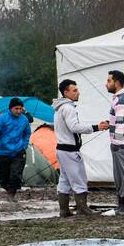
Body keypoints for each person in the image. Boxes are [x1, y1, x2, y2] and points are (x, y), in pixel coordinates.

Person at [52, 79, 106, 217]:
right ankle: (82, 209)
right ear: (66, 92)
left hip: (62, 149)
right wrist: (96, 127)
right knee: (79, 179)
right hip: (69, 151)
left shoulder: (59, 108)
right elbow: (74, 127)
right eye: (74, 90)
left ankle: (64, 210)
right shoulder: (68, 108)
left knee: (64, 180)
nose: (78, 93)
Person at [103, 69, 124, 214]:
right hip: (123, 143)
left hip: (122, 144)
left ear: (117, 83)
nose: (106, 84)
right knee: (120, 175)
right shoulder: (120, 99)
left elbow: (122, 123)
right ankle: (122, 203)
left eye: (109, 81)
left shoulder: (121, 100)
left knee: (123, 174)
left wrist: (116, 143)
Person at [0, 98, 32, 203]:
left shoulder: (24, 119)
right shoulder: (2, 118)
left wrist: (24, 145)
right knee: (3, 177)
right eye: (16, 108)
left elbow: (27, 133)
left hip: (18, 151)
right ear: (10, 108)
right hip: (3, 151)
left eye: (20, 109)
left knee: (16, 174)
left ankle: (11, 194)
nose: (18, 111)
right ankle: (8, 189)